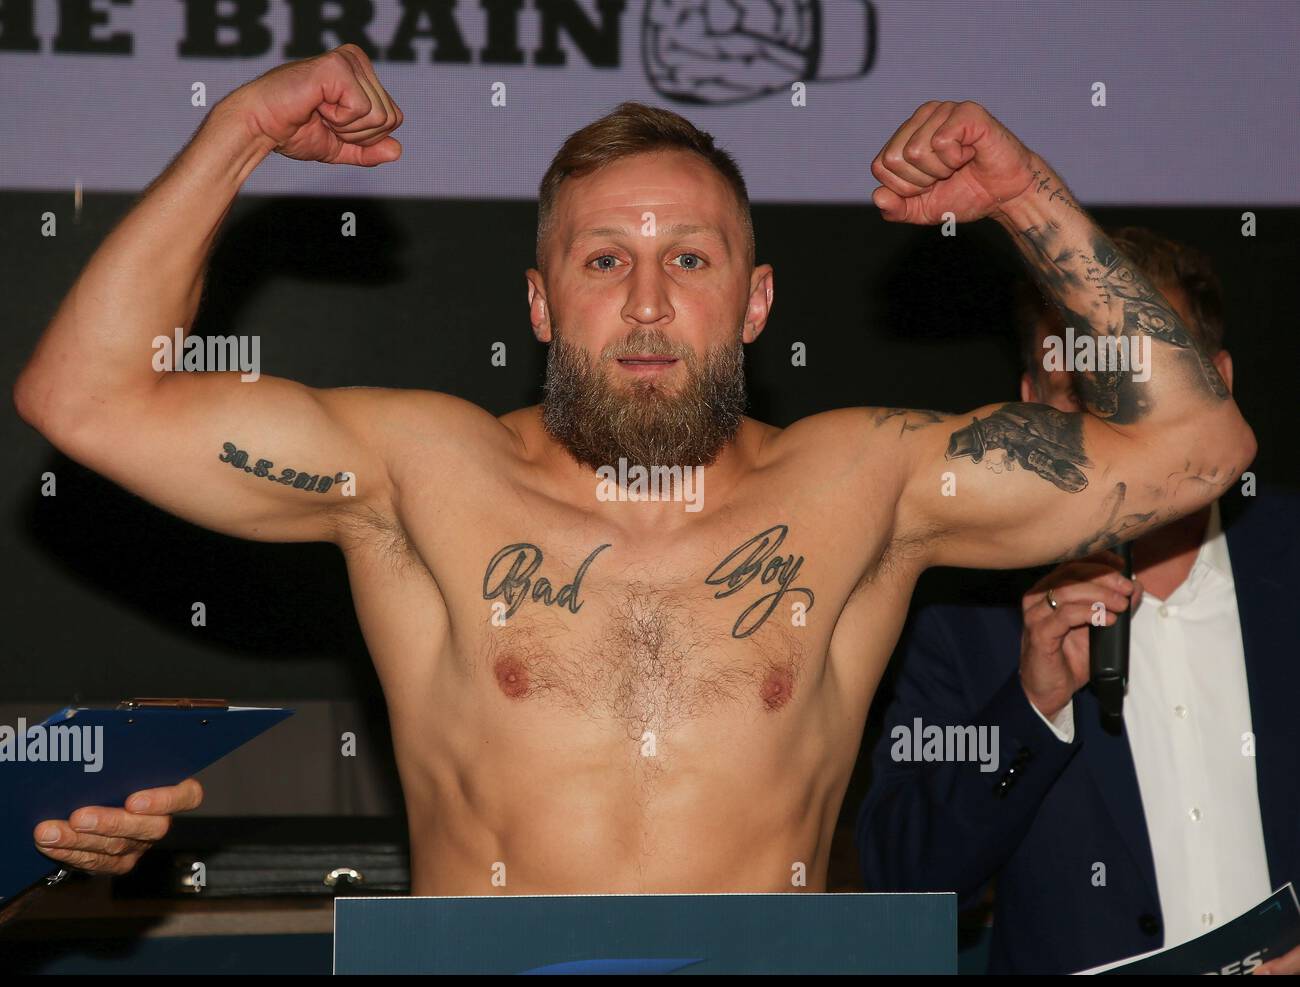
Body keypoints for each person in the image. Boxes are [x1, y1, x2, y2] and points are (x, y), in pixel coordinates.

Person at [14, 47, 1255, 896]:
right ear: (542, 305)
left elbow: (1198, 446)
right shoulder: (417, 472)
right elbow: (85, 397)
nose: (650, 303)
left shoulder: (868, 482)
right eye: (604, 262)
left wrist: (1024, 193)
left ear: (758, 299)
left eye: (694, 261)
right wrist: (236, 134)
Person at [856, 227, 1300, 974]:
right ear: (1031, 403)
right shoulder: (964, 609)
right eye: (1082, 383)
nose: (1119, 418)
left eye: (1150, 381)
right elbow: (903, 882)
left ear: (1219, 386)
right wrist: (1030, 706)